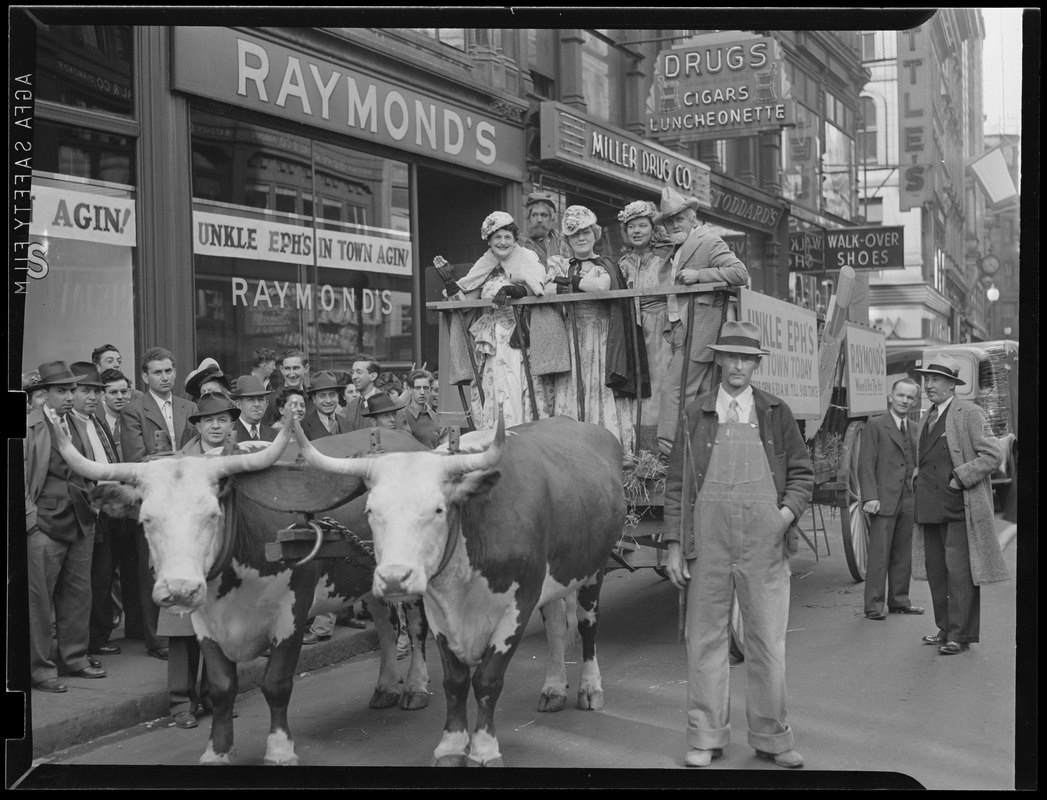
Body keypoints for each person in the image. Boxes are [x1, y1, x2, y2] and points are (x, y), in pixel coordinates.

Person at [663, 321, 813, 769]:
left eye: (746, 358)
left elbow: (802, 473)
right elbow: (677, 485)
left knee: (766, 642)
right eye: (731, 357)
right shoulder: (695, 413)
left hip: (764, 544)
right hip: (708, 543)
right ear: (719, 360)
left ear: (755, 364)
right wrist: (675, 544)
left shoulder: (775, 412)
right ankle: (705, 737)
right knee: (704, 641)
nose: (738, 366)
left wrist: (782, 517)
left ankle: (773, 739)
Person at [912, 354, 1009, 656]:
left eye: (936, 380)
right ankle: (945, 628)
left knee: (960, 573)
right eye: (927, 379)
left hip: (958, 506)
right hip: (929, 507)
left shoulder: (969, 412)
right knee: (937, 572)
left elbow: (992, 455)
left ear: (952, 385)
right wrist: (917, 474)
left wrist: (960, 478)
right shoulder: (926, 416)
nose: (929, 385)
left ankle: (960, 635)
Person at [436, 211, 567, 430]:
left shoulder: (527, 258)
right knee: (495, 386)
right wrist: (450, 282)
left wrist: (518, 290)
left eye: (507, 237)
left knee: (522, 383)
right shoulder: (484, 267)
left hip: (521, 334)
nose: (502, 242)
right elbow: (465, 304)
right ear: (489, 241)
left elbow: (539, 287)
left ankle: (524, 433)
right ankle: (497, 434)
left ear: (515, 239)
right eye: (497, 237)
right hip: (493, 340)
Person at [24, 361, 107, 693]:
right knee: (39, 602)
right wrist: (30, 521)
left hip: (81, 520)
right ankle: (41, 669)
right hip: (43, 525)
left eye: (72, 390)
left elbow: (88, 468)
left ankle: (74, 657)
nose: (70, 396)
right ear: (43, 395)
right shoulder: (29, 426)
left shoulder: (77, 422)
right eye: (62, 391)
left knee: (78, 595)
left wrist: (94, 506)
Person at [653, 187, 750, 458]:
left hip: (700, 328)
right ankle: (699, 449)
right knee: (701, 392)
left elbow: (740, 273)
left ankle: (668, 451)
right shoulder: (677, 247)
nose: (674, 225)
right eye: (669, 222)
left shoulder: (708, 241)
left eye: (679, 219)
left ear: (692, 218)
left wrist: (700, 275)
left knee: (673, 389)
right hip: (683, 327)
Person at [165, 392, 242, 728]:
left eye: (222, 419)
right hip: (188, 555)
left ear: (231, 425)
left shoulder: (240, 457)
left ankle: (216, 696)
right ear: (197, 426)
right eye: (208, 420)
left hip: (227, 557)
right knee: (184, 628)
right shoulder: (179, 462)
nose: (215, 426)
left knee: (220, 628)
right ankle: (181, 703)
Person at [121, 347, 200, 661]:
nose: (164, 377)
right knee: (152, 567)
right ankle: (157, 640)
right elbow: (137, 459)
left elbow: (198, 448)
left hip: (188, 499)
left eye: (168, 371)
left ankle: (190, 629)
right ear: (145, 376)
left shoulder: (189, 406)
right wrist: (179, 461)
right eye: (157, 372)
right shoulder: (133, 411)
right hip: (155, 499)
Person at [547, 205, 647, 454]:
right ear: (568, 239)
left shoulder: (605, 264)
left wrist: (571, 282)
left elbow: (602, 287)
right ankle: (572, 449)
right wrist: (575, 284)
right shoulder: (560, 264)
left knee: (601, 387)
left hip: (602, 337)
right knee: (574, 387)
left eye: (585, 232)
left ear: (595, 234)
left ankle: (608, 449)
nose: (581, 238)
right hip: (572, 336)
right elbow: (546, 289)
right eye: (574, 234)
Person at [68, 363, 124, 660]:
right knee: (87, 580)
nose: (92, 397)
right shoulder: (68, 424)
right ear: (72, 392)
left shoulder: (96, 420)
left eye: (96, 391)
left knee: (103, 577)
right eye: (85, 391)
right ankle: (87, 642)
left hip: (109, 508)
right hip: (86, 510)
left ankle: (98, 637)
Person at [858, 378, 924, 620]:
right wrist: (870, 496)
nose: (904, 400)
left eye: (910, 397)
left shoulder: (916, 428)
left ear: (915, 401)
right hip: (883, 499)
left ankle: (899, 601)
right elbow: (866, 463)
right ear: (891, 397)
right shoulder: (875, 426)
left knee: (903, 553)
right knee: (879, 553)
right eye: (901, 395)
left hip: (909, 498)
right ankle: (874, 605)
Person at [616, 200, 676, 454]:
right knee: (637, 388)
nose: (637, 231)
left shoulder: (665, 258)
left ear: (653, 228)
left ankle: (662, 447)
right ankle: (639, 449)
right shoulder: (622, 263)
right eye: (631, 226)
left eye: (642, 225)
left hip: (661, 327)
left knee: (660, 384)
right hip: (632, 328)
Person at [97, 368, 143, 643]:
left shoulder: (135, 419)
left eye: (124, 391)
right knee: (104, 572)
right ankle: (103, 632)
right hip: (107, 507)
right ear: (103, 395)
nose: (119, 396)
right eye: (112, 392)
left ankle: (136, 628)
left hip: (133, 504)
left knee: (134, 568)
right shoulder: (97, 421)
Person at [518, 190, 572, 268]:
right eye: (534, 215)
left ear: (552, 218)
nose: (539, 220)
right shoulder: (519, 242)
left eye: (544, 215)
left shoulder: (562, 245)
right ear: (528, 218)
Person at [300, 371, 353, 440]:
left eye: (332, 395)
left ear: (337, 396)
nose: (328, 401)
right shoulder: (303, 427)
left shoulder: (348, 423)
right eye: (322, 396)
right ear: (314, 399)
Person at [401, 368, 444, 449]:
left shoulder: (436, 417)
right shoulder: (403, 416)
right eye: (417, 388)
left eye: (426, 388)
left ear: (430, 389)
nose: (422, 392)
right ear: (409, 390)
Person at [231, 375, 277, 443]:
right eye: (250, 400)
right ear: (238, 405)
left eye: (260, 399)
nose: (257, 404)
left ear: (266, 404)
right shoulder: (228, 435)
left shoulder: (276, 436)